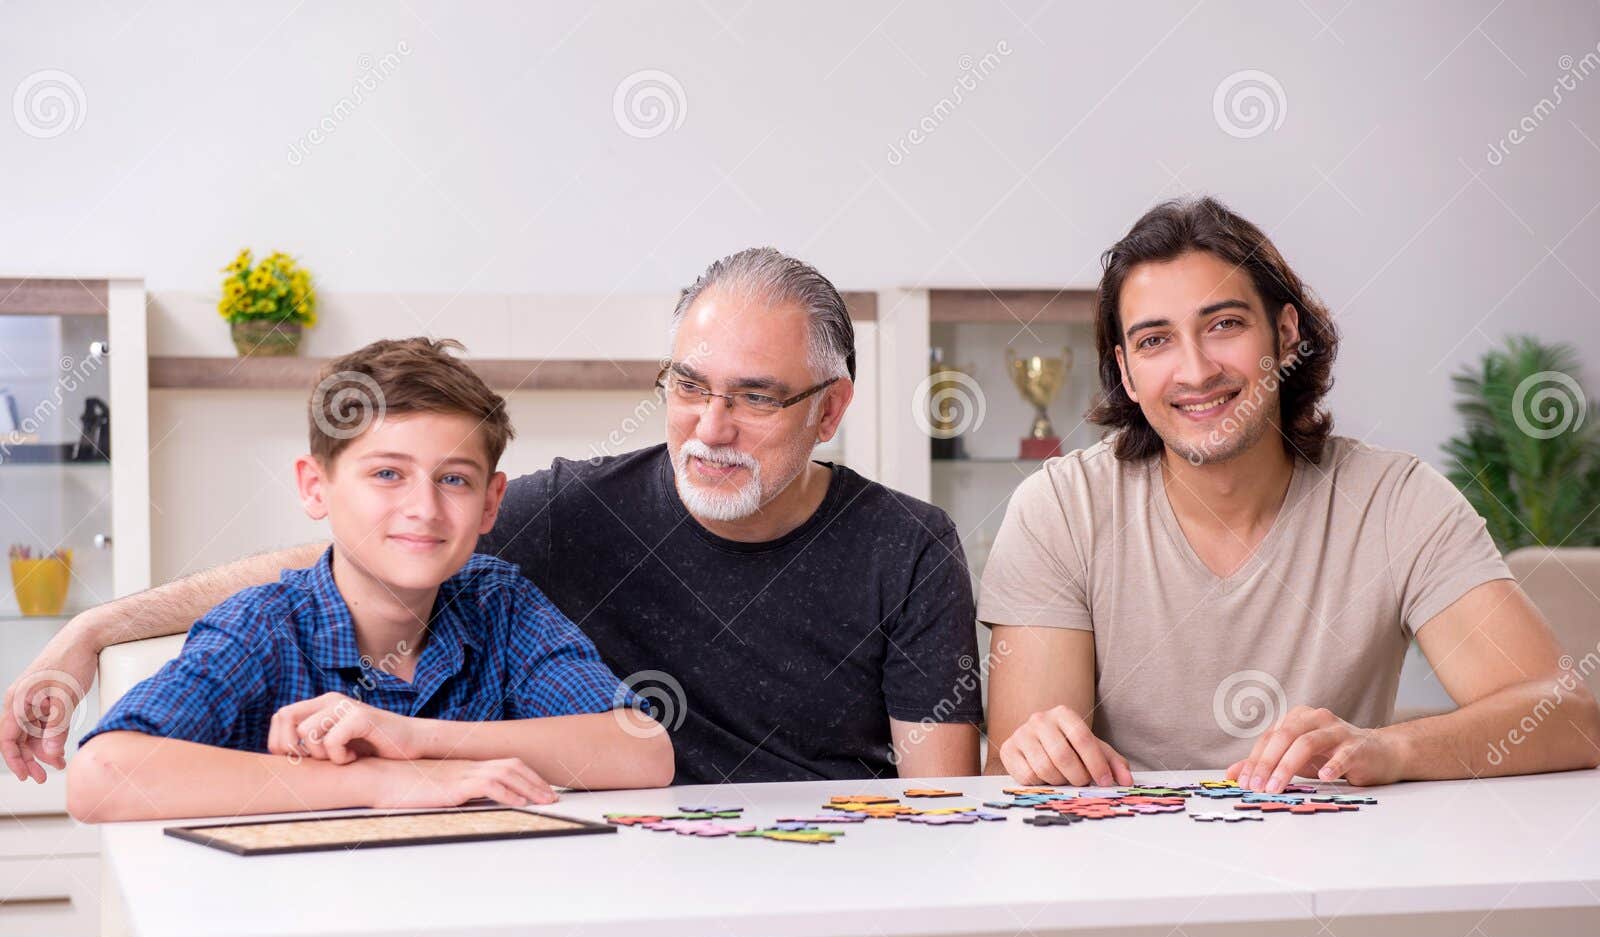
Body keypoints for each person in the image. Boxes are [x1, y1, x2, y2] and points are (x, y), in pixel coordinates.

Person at [7, 248, 981, 788]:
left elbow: (937, 804)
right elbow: (348, 559)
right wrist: (91, 629)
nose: (710, 427)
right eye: (688, 384)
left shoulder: (906, 543)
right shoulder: (568, 513)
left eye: (756, 397)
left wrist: (414, 757)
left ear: (830, 409)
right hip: (625, 876)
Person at [981, 196, 1600, 793]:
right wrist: (1038, 756)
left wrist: (1396, 747)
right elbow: (1015, 781)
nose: (1195, 370)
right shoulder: (1060, 510)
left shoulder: (1395, 501)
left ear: (1284, 333)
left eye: (1224, 324)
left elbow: (1571, 717)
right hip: (1123, 880)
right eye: (1154, 341)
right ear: (1125, 373)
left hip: (1336, 874)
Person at [65, 337, 672, 821]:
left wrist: (412, 738)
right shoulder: (264, 626)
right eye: (387, 473)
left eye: (454, 479)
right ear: (314, 486)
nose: (424, 509)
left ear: (491, 504)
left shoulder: (500, 602)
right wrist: (378, 779)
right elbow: (102, 777)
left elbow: (645, 751)